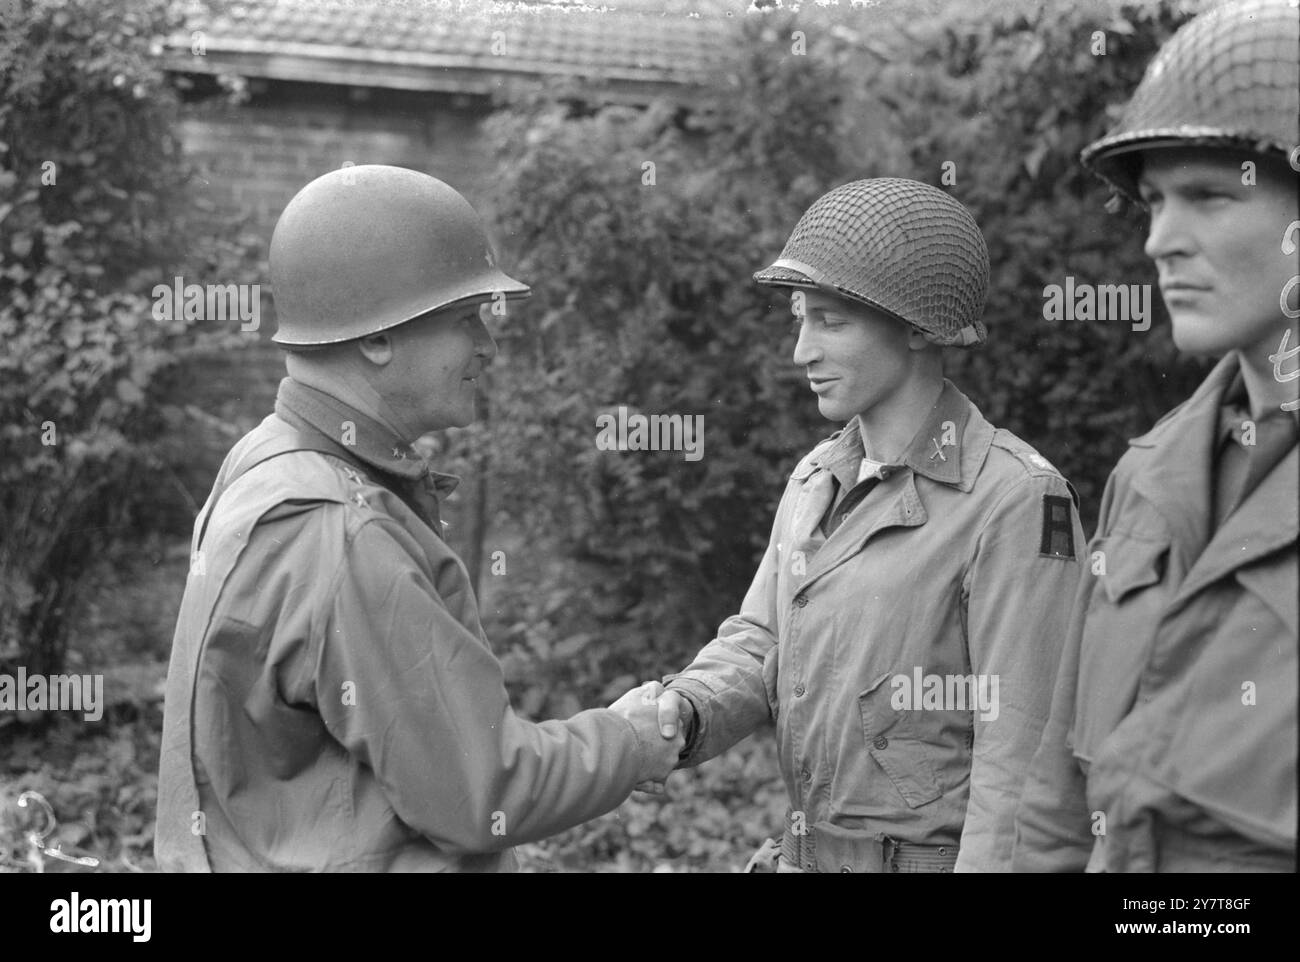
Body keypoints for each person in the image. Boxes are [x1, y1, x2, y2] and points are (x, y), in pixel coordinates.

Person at [155, 165, 682, 872]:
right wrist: (630, 740)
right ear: (376, 338)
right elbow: (481, 789)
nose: (489, 347)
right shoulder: (343, 534)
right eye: (466, 320)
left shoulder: (262, 464)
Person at [626, 178, 1085, 872]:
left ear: (918, 327)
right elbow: (761, 641)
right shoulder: (817, 479)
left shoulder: (1015, 500)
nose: (801, 351)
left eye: (831, 321)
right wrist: (686, 710)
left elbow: (1021, 766)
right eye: (799, 319)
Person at [1013, 0, 1299, 872]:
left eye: (1208, 197)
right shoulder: (1146, 478)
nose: (1159, 242)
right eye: (1153, 204)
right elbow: (1062, 799)